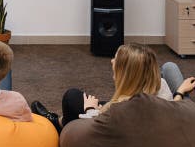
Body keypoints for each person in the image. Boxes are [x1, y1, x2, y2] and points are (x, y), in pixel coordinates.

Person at [32, 43, 178, 132]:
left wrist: (91, 110)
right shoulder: (161, 85)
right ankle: (58, 120)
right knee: (93, 101)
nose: (111, 61)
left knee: (72, 97)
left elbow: (94, 130)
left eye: (116, 59)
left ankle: (58, 124)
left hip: (105, 133)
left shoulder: (120, 109)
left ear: (127, 73)